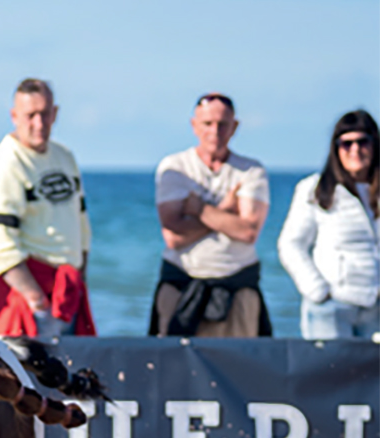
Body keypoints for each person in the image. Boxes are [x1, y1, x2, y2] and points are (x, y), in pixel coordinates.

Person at [0, 78, 93, 341]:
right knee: (21, 379)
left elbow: (80, 220)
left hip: (67, 292)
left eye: (45, 114)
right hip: (25, 296)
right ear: (14, 116)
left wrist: (79, 273)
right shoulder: (3, 165)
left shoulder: (64, 156)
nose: (39, 124)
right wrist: (36, 300)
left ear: (55, 113)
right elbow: (1, 246)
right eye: (31, 115)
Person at [151, 93, 272, 337]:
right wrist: (226, 212)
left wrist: (199, 210)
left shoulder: (251, 170)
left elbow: (248, 231)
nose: (215, 131)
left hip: (237, 288)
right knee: (174, 369)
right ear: (194, 125)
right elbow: (174, 235)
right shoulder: (175, 167)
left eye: (222, 124)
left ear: (234, 127)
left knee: (240, 370)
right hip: (182, 285)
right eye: (208, 124)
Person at [277, 109, 380, 339]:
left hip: (375, 308)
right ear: (336, 149)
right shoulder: (314, 190)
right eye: (347, 144)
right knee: (331, 374)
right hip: (332, 307)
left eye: (363, 142)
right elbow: (291, 244)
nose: (355, 150)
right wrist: (317, 291)